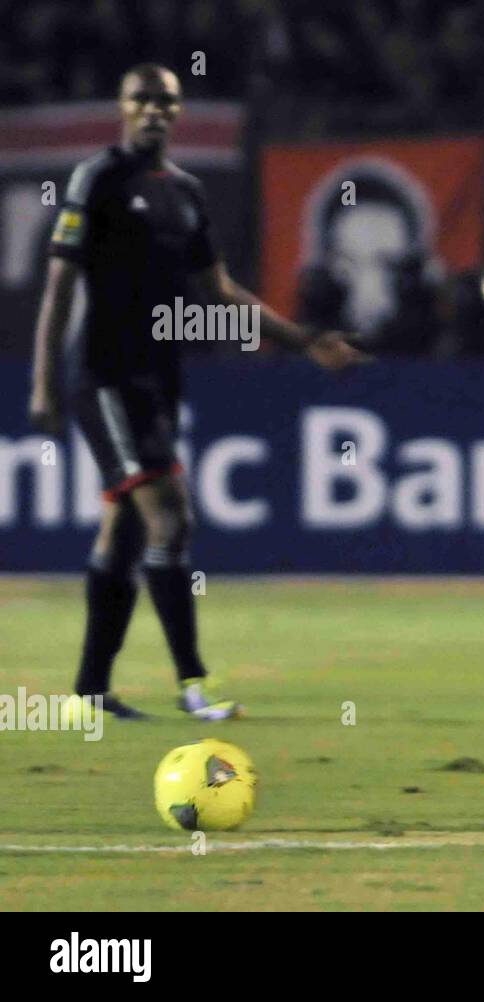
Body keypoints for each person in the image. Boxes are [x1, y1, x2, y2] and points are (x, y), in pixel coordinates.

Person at [28, 64, 368, 721]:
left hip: (159, 380)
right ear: (123, 109)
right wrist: (44, 384)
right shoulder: (98, 179)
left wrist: (305, 341)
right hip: (103, 378)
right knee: (172, 516)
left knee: (126, 530)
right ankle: (194, 686)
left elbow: (221, 293)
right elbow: (59, 287)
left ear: (177, 112)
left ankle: (89, 695)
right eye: (141, 100)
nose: (154, 110)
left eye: (166, 101)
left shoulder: (185, 193)